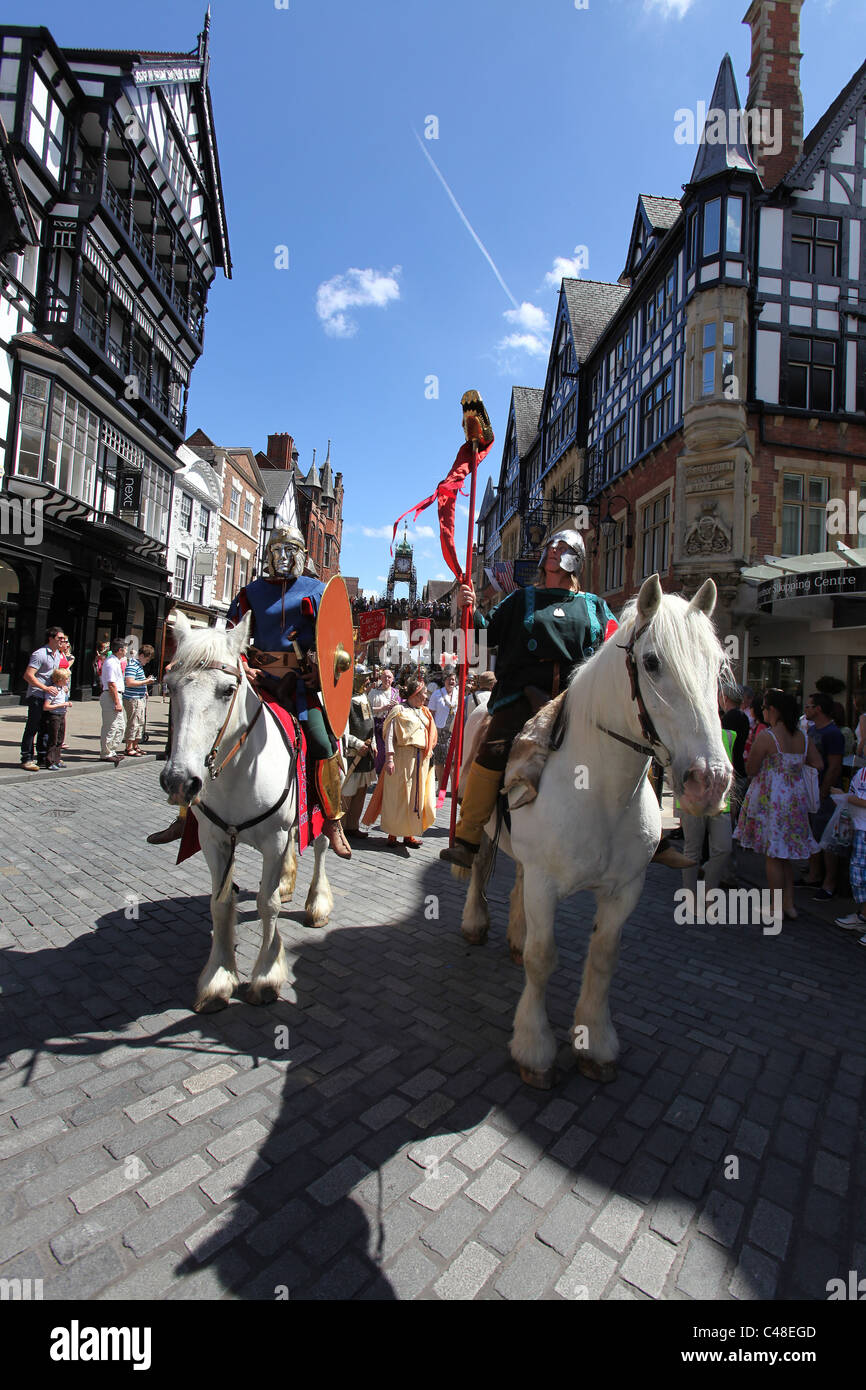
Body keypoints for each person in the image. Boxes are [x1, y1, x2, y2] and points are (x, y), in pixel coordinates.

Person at [439, 529, 619, 869]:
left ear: (576, 559)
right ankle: (468, 835)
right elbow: (487, 634)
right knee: (494, 745)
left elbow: (614, 645)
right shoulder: (521, 600)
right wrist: (470, 609)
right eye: (551, 546)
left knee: (627, 739)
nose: (553, 550)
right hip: (522, 696)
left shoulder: (594, 606)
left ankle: (642, 835)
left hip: (575, 699)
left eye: (562, 547)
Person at [227, 525, 352, 859]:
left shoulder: (317, 590)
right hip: (257, 682)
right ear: (268, 555)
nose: (282, 558)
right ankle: (187, 814)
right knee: (207, 731)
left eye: (289, 551)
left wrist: (320, 676)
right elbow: (230, 635)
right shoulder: (251, 592)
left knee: (323, 743)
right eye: (276, 551)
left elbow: (337, 644)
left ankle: (332, 819)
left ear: (301, 555)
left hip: (297, 685)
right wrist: (243, 665)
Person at [734, 689, 821, 920]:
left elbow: (751, 769)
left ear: (773, 710)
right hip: (795, 798)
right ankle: (789, 904)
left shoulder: (768, 736)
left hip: (771, 798)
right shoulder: (803, 737)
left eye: (764, 708)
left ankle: (775, 907)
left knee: (773, 855)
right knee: (785, 856)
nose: (763, 711)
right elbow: (818, 763)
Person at [363, 672, 437, 847]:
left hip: (420, 761)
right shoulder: (399, 710)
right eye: (423, 693)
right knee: (397, 796)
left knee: (415, 797)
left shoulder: (425, 712)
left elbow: (429, 735)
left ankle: (409, 834)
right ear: (414, 694)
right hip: (400, 759)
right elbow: (389, 736)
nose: (426, 696)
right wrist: (389, 758)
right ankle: (393, 834)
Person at [803, 691, 845, 897]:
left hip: (825, 793)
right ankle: (813, 874)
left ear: (818, 709)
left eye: (809, 706)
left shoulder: (833, 733)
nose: (806, 709)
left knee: (827, 839)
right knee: (812, 834)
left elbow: (835, 766)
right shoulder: (810, 730)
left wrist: (822, 791)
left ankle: (829, 883)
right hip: (809, 792)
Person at [20, 626, 65, 770]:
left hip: (49, 697)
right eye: (60, 638)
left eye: (63, 639)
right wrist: (45, 688)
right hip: (37, 695)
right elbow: (28, 675)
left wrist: (60, 685)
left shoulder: (57, 654)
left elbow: (53, 676)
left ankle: (43, 757)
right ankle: (26, 758)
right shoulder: (40, 654)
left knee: (46, 728)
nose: (62, 641)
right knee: (32, 727)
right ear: (51, 638)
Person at [341, 669, 377, 838]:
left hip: (366, 754)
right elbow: (341, 729)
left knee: (361, 791)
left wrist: (373, 742)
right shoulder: (345, 700)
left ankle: (353, 826)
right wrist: (357, 744)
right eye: (364, 677)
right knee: (347, 791)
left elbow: (370, 725)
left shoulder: (365, 698)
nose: (368, 680)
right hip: (352, 754)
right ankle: (340, 827)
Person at [834, 761, 866, 942]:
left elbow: (854, 798)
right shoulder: (861, 772)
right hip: (860, 829)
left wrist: (847, 797)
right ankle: (863, 916)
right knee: (859, 874)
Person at [720, 684, 750, 825]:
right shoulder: (743, 716)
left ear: (725, 698)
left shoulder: (730, 717)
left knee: (729, 812)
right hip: (738, 766)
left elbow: (726, 745)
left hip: (732, 769)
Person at [428, 667, 459, 791]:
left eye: (453, 679)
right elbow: (431, 713)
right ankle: (441, 788)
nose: (451, 682)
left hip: (454, 732)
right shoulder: (437, 694)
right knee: (440, 762)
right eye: (449, 679)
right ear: (444, 680)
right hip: (440, 731)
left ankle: (453, 788)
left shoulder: (459, 693)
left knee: (452, 763)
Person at [122, 643, 154, 756]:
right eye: (147, 658)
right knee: (133, 722)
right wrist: (146, 682)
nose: (147, 661)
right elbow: (129, 682)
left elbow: (137, 680)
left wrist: (145, 685)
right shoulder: (132, 665)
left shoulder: (139, 666)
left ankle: (135, 745)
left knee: (140, 722)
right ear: (141, 655)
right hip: (132, 698)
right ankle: (129, 747)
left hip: (139, 698)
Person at [369, 667, 401, 774]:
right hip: (377, 726)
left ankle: (388, 778)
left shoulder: (396, 693)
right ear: (380, 678)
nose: (387, 679)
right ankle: (380, 777)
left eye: (389, 677)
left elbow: (402, 710)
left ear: (392, 679)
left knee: (390, 751)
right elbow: (367, 710)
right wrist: (383, 708)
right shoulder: (373, 693)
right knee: (380, 753)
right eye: (384, 676)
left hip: (392, 725)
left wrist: (397, 706)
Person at [100, 637, 127, 763]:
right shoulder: (110, 662)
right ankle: (106, 752)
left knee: (120, 725)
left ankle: (112, 750)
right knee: (111, 726)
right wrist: (116, 701)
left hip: (117, 695)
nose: (127, 651)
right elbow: (111, 684)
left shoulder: (116, 661)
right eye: (125, 648)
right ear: (120, 650)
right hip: (111, 695)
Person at [43, 666, 71, 770]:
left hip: (62, 715)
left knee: (60, 739)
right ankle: (50, 761)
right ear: (60, 680)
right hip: (54, 716)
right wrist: (62, 704)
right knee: (53, 739)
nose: (68, 681)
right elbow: (46, 706)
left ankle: (57, 759)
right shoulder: (53, 690)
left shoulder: (63, 689)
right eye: (66, 679)